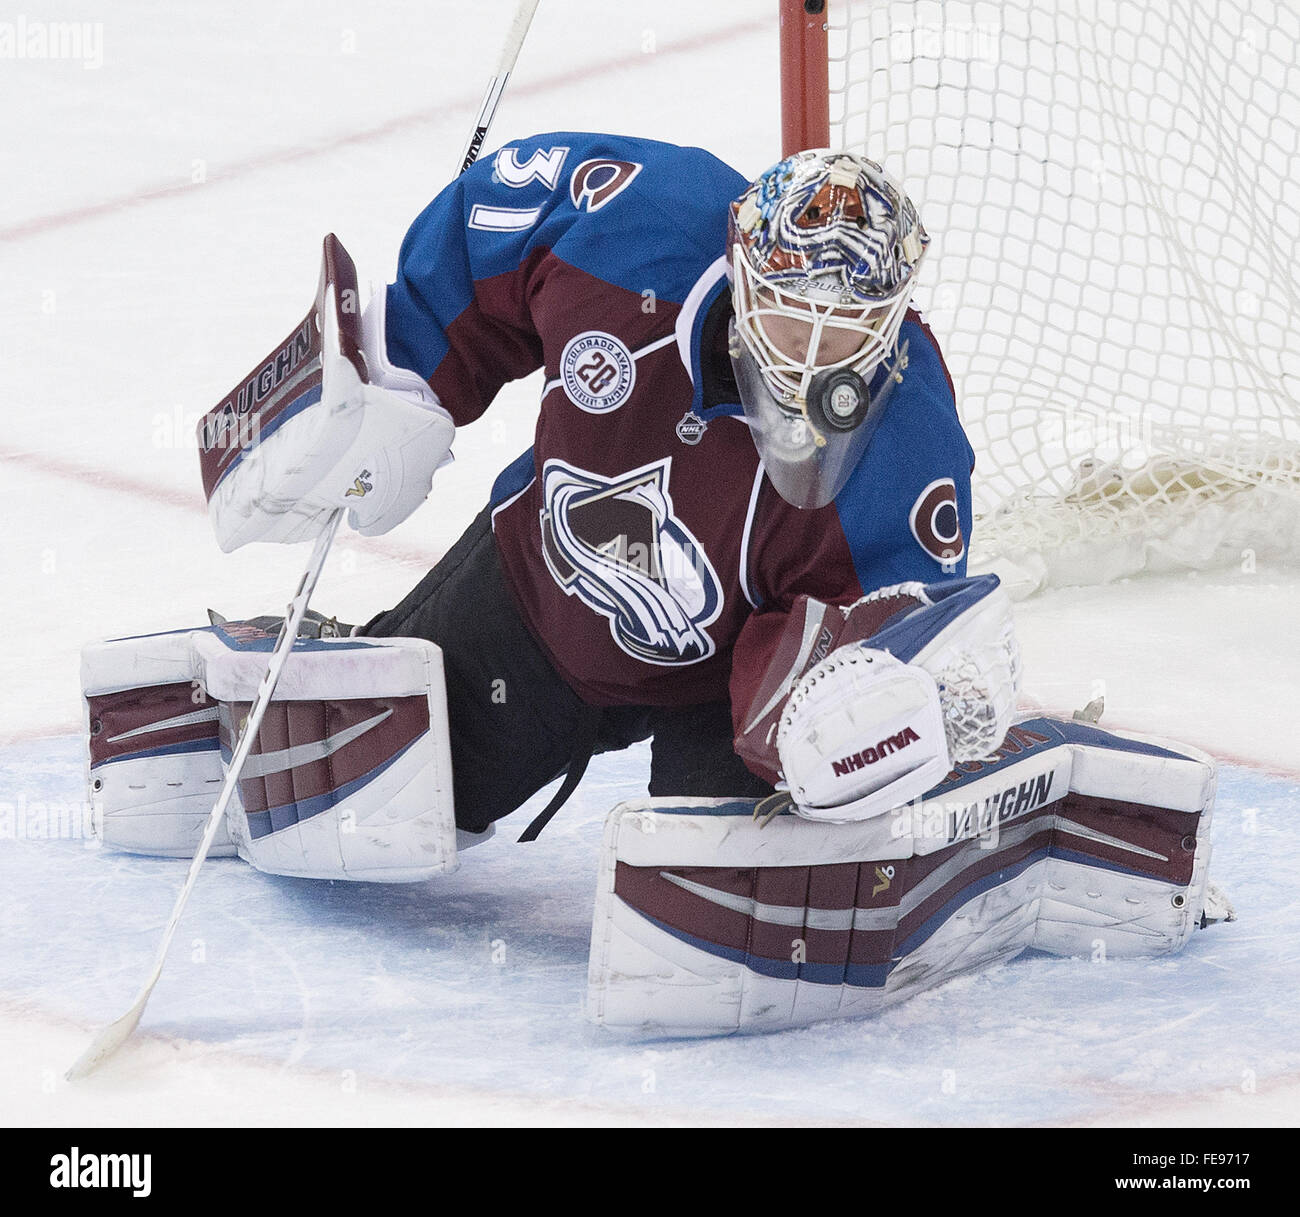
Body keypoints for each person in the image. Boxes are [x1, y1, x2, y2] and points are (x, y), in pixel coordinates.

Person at [340, 133, 975, 835]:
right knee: (370, 792)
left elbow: (887, 630)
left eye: (845, 331)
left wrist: (839, 714)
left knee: (726, 878)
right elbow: (489, 215)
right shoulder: (639, 227)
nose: (812, 360)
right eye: (791, 319)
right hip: (542, 591)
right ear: (741, 270)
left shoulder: (913, 437)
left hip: (728, 691)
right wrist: (407, 359)